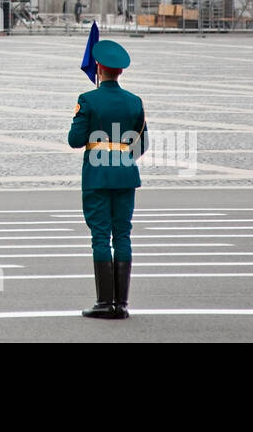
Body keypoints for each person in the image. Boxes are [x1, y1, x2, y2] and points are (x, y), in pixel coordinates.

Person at [68, 39, 148, 320]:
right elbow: (142, 144)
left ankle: (104, 303)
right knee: (123, 234)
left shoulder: (88, 99)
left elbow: (75, 140)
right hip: (126, 175)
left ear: (98, 68)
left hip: (97, 177)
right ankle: (121, 304)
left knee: (100, 236)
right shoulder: (135, 102)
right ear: (121, 72)